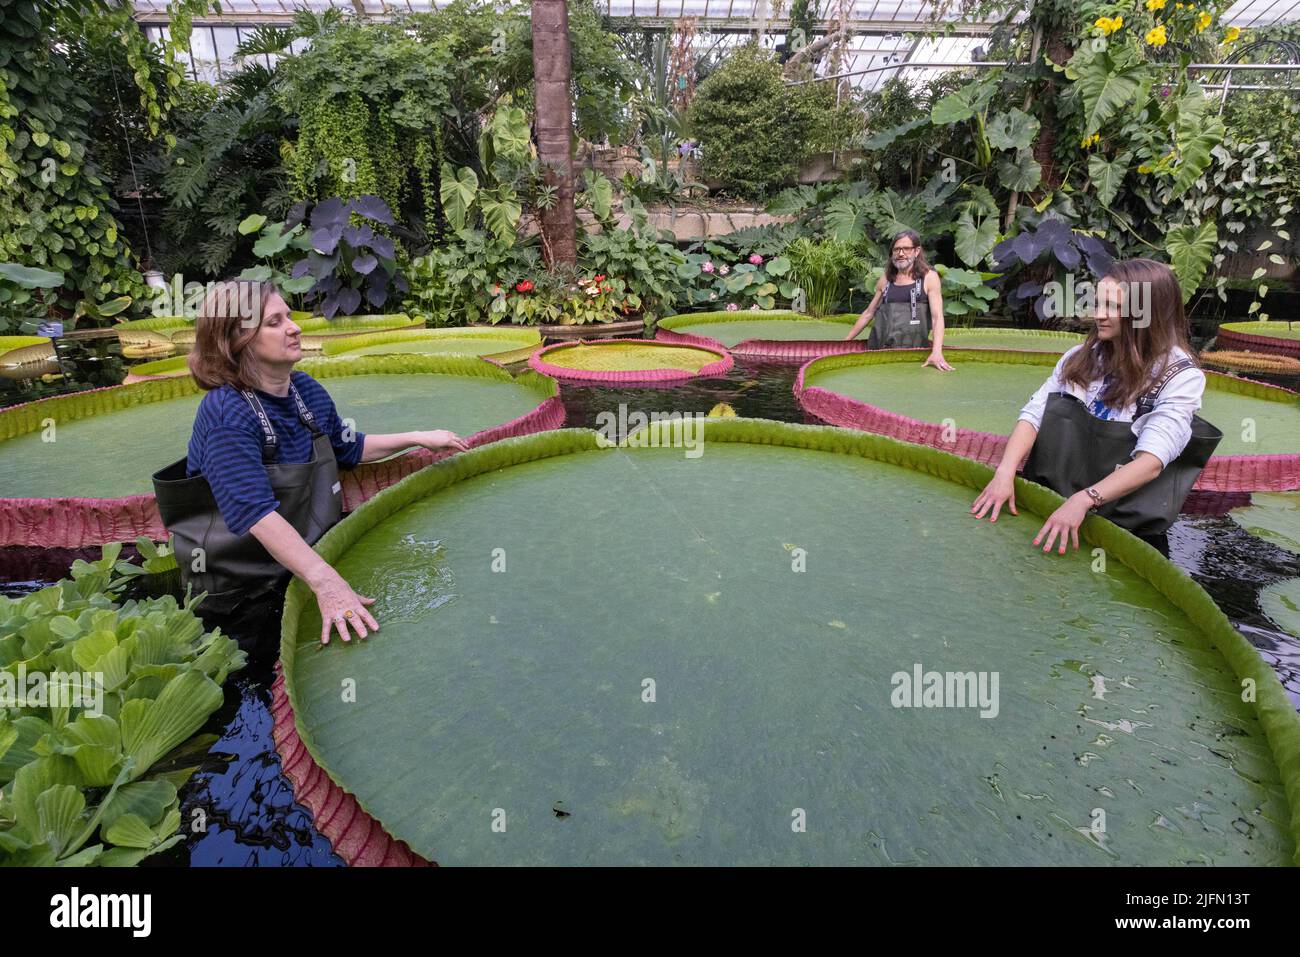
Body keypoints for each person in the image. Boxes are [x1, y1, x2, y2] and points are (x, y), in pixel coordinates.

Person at [152, 281, 469, 645]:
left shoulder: (305, 391)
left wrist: (418, 437)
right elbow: (255, 514)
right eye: (275, 322)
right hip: (243, 596)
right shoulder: (227, 413)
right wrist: (328, 582)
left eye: (289, 316)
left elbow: (348, 448)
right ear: (236, 340)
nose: (295, 327)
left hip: (304, 565)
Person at [970, 258, 1221, 556]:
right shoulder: (1081, 356)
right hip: (1050, 500)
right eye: (1098, 303)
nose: (1098, 315)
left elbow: (1152, 460)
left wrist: (1084, 499)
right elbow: (1034, 414)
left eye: (1113, 307)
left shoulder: (1180, 377)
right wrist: (1005, 471)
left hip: (1121, 526)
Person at [843, 229, 953, 371]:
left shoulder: (929, 278)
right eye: (896, 249)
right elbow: (868, 313)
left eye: (906, 249)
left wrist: (937, 352)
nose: (901, 254)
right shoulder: (886, 280)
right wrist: (845, 342)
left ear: (916, 251)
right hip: (879, 353)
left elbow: (937, 317)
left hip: (914, 355)